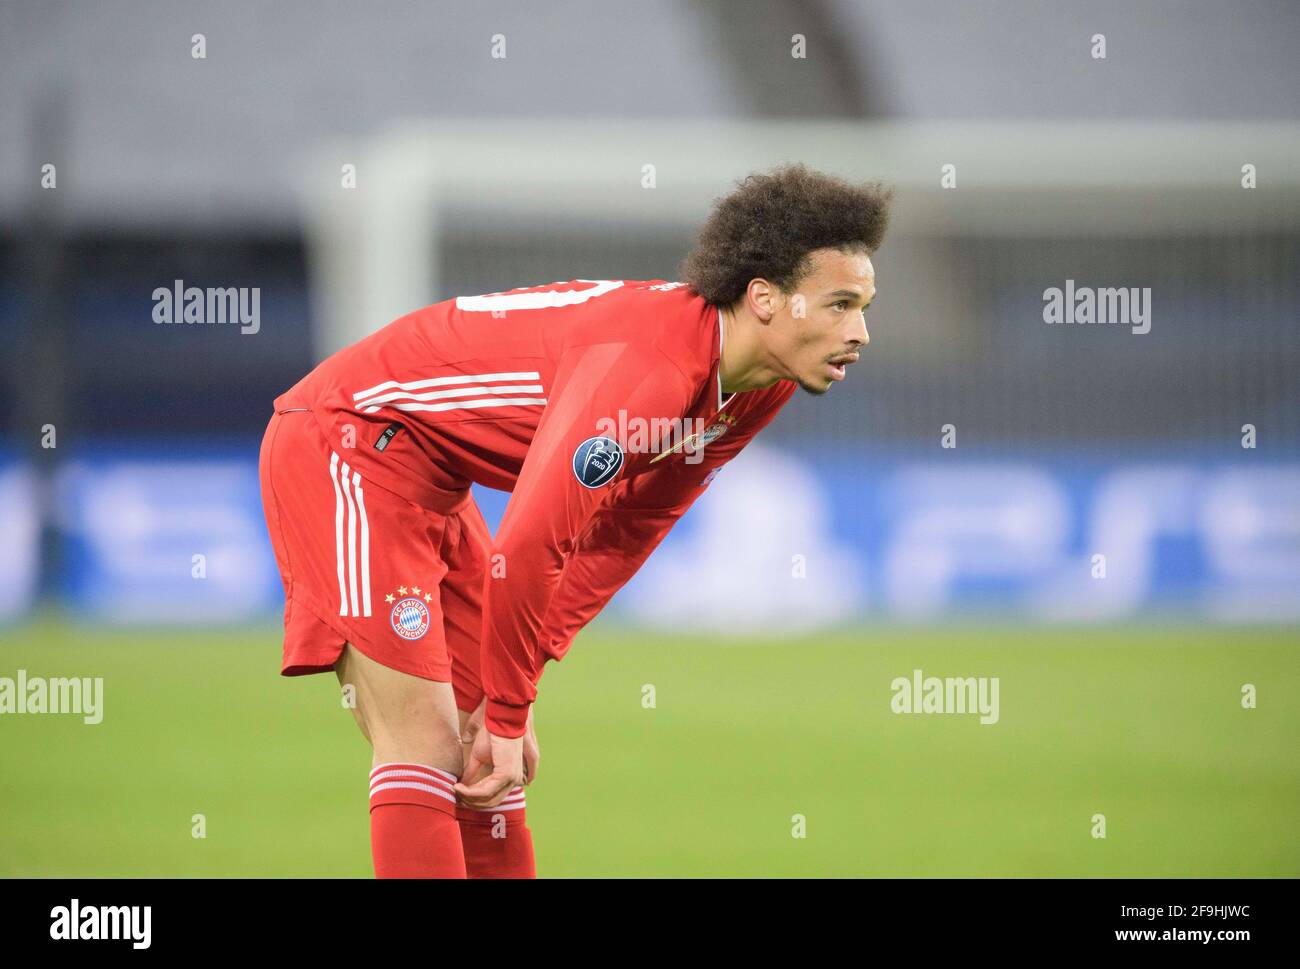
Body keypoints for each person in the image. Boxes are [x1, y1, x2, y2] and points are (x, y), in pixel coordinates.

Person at [257, 163, 891, 877]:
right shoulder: (650, 369)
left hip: (436, 473)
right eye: (839, 304)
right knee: (428, 742)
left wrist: (514, 686)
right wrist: (510, 707)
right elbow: (531, 543)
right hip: (344, 439)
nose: (861, 331)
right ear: (766, 299)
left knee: (484, 756)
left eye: (864, 306)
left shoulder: (753, 388)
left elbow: (626, 529)